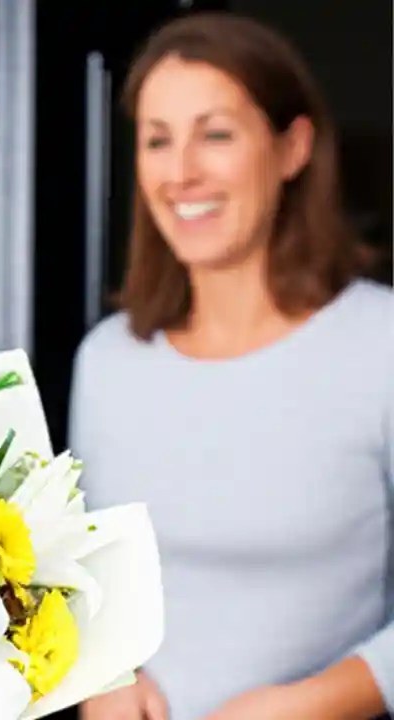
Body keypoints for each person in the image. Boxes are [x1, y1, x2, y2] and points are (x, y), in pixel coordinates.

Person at [70, 11, 393, 720]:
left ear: (292, 147)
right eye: (158, 140)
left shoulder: (381, 345)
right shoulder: (108, 361)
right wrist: (102, 670)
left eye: (215, 135)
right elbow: (84, 577)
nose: (182, 172)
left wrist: (305, 706)